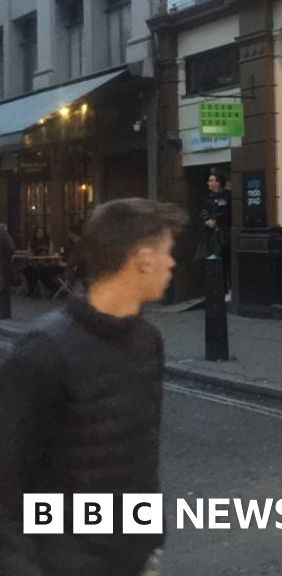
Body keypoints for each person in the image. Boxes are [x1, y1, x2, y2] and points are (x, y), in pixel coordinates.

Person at [0, 198, 186, 576]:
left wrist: (150, 541)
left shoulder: (148, 340)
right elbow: (7, 478)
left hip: (134, 558)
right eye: (167, 252)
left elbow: (140, 455)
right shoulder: (44, 350)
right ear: (142, 259)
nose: (172, 263)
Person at [196, 169, 232, 293]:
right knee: (213, 262)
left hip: (225, 234)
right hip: (211, 235)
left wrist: (219, 222)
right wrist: (206, 221)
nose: (208, 183)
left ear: (218, 183)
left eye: (211, 181)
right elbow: (203, 212)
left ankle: (228, 289)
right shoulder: (207, 198)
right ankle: (216, 290)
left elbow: (230, 213)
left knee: (227, 261)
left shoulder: (228, 196)